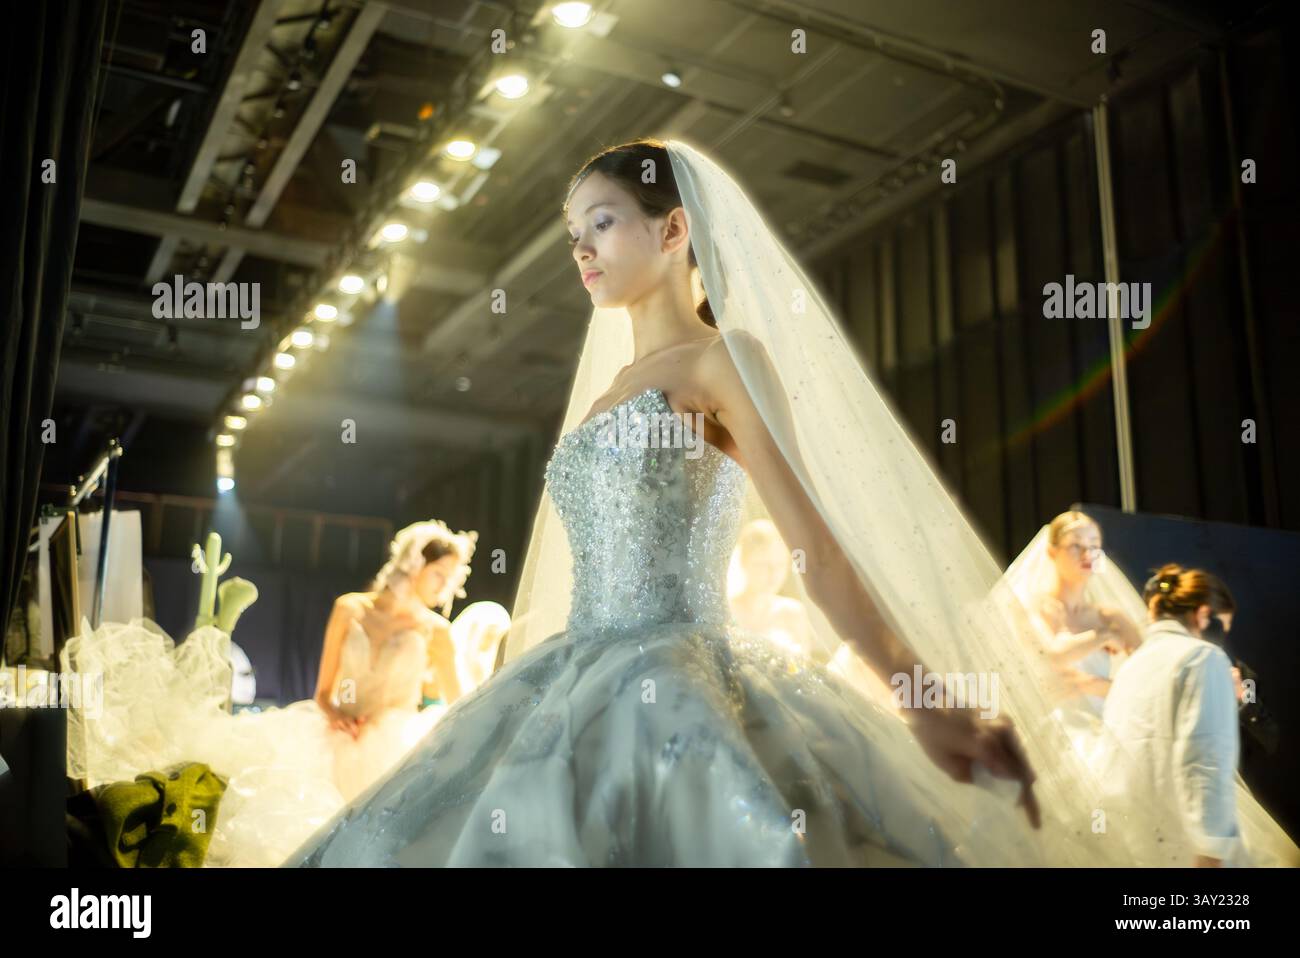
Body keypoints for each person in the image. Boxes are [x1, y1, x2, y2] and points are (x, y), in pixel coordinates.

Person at [285, 137, 1241, 868]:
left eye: (603, 223)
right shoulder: (611, 392)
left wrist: (923, 699)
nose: (581, 249)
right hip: (570, 677)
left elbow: (814, 551)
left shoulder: (722, 359)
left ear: (673, 229)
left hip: (680, 676)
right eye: (574, 233)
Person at [1100, 565, 1243, 866]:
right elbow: (1206, 757)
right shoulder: (1203, 658)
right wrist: (1212, 849)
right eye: (1220, 625)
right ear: (1202, 615)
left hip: (1133, 845)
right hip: (1187, 850)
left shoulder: (1129, 668)